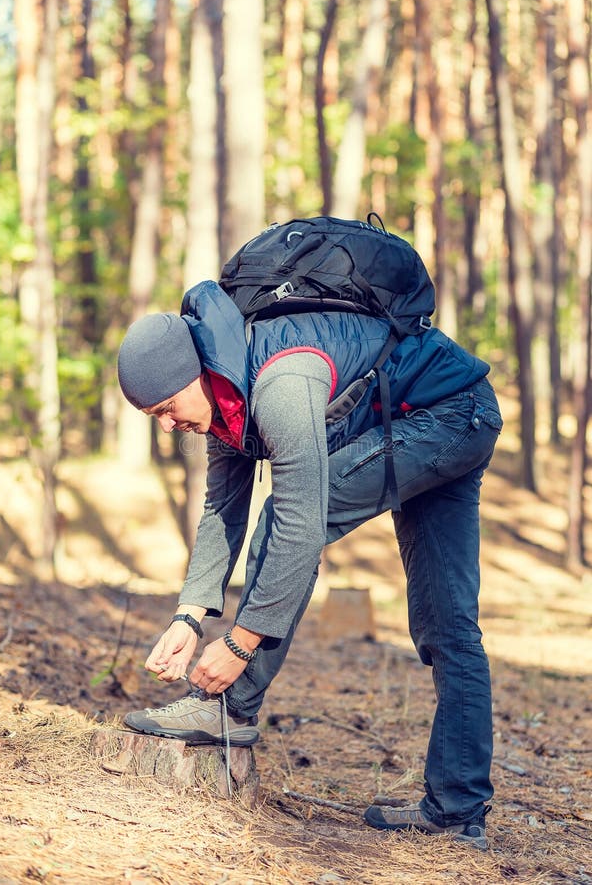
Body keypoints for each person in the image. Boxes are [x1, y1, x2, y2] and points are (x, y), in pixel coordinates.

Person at [117, 277, 502, 851]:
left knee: (289, 522)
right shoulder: (225, 401)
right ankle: (457, 808)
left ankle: (229, 709)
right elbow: (221, 508)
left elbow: (299, 523)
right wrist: (189, 615)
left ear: (196, 373)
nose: (168, 426)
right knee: (447, 624)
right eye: (156, 416)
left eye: (169, 408)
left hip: (449, 415)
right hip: (432, 416)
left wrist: (241, 643)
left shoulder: (279, 384)